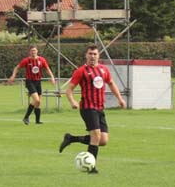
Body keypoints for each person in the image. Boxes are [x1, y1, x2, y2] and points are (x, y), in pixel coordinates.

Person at [57, 45, 127, 174]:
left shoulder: (104, 70)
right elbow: (69, 89)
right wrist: (72, 101)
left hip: (100, 108)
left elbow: (111, 84)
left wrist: (120, 99)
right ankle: (91, 167)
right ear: (86, 55)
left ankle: (71, 138)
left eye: (95, 54)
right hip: (88, 108)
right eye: (90, 54)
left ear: (98, 56)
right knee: (96, 136)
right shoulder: (81, 71)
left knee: (103, 140)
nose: (92, 56)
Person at [8, 45, 56, 125]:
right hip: (30, 81)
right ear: (29, 52)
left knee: (38, 102)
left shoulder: (41, 60)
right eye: (32, 50)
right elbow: (17, 67)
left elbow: (47, 69)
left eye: (35, 50)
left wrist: (52, 77)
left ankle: (37, 121)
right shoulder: (26, 60)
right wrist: (13, 76)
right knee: (36, 100)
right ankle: (26, 117)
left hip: (38, 82)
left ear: (37, 51)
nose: (33, 52)